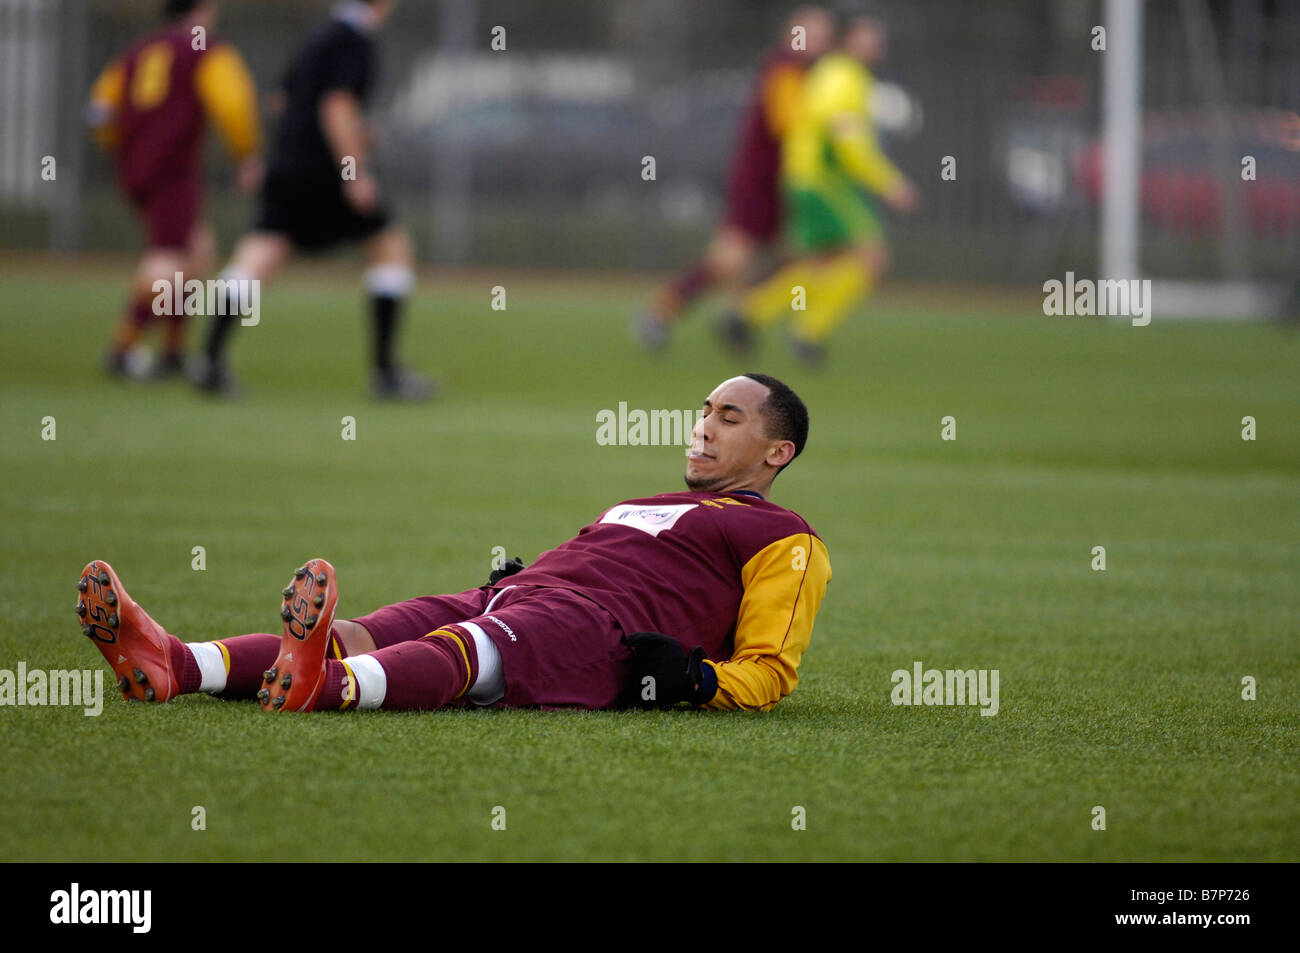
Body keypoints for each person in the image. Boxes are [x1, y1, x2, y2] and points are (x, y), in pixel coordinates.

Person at [76, 375, 831, 713]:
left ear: (778, 452)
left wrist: (697, 683)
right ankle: (177, 662)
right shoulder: (642, 499)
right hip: (520, 595)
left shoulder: (785, 534)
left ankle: (328, 690)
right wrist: (525, 573)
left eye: (730, 417)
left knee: (461, 647)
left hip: (591, 632)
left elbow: (770, 669)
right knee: (354, 631)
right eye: (703, 410)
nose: (702, 425)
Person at [193, 0, 432, 399]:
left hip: (288, 164)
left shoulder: (318, 36)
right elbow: (336, 106)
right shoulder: (353, 40)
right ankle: (386, 372)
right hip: (325, 172)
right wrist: (353, 171)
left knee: (259, 256)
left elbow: (282, 101)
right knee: (391, 249)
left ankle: (210, 360)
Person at [634, 6, 835, 351]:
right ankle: (660, 314)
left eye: (824, 34)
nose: (819, 40)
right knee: (730, 260)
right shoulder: (785, 69)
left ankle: (739, 315)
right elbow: (786, 124)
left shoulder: (810, 74)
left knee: (796, 258)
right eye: (812, 32)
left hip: (789, 184)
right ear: (792, 33)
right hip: (761, 182)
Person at [723, 14, 917, 365]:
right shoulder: (845, 78)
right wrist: (889, 184)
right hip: (824, 181)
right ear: (848, 41)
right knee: (871, 258)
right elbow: (847, 141)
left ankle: (752, 311)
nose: (876, 48)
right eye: (868, 39)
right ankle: (806, 331)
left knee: (823, 260)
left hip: (805, 176)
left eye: (878, 40)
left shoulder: (831, 72)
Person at [87, 0, 262, 379]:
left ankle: (172, 352)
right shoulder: (204, 47)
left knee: (197, 250)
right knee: (168, 258)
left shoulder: (139, 50)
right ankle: (122, 348)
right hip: (173, 170)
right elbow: (234, 104)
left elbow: (99, 110)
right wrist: (246, 155)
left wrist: (125, 145)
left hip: (137, 167)